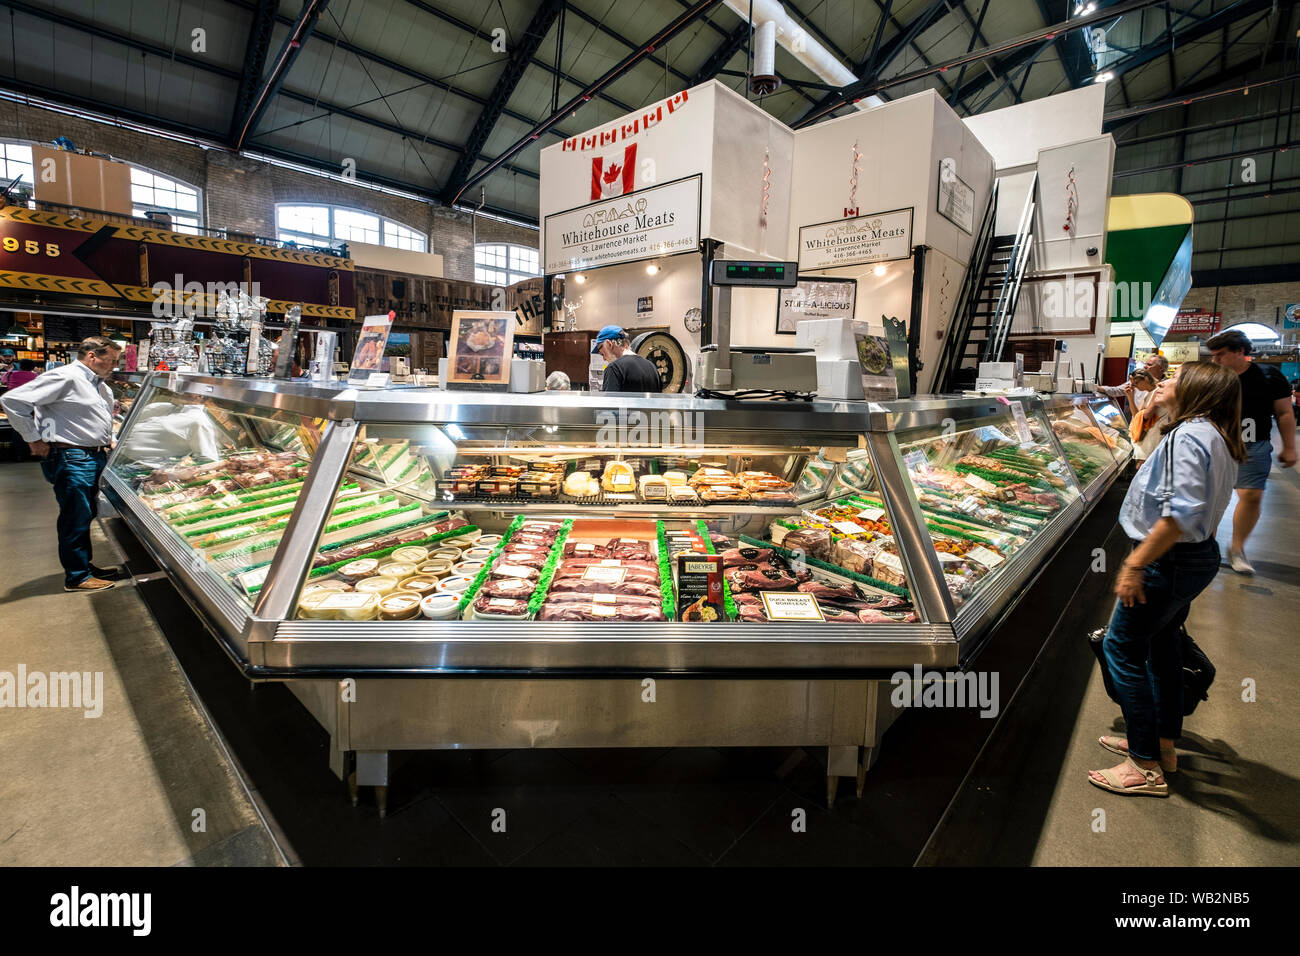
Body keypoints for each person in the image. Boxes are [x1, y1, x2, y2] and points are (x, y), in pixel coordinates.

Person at [1089, 362, 1246, 798]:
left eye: (1174, 379)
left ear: (1196, 391)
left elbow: (1180, 514)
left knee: (1121, 649)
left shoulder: (1190, 435)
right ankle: (1162, 744)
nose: (1162, 382)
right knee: (1163, 648)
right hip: (1194, 558)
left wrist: (1136, 564)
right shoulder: (1214, 433)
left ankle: (1142, 765)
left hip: (1169, 560)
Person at [0, 336, 124, 592]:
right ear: (91, 356)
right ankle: (77, 576)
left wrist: (110, 439)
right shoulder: (66, 377)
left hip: (93, 455)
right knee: (75, 516)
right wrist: (33, 438)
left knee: (85, 513)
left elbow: (96, 417)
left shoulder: (99, 385)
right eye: (110, 360)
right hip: (72, 457)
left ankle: (84, 566)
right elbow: (12, 401)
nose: (114, 365)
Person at [1205, 328, 1296, 574]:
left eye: (1221, 355)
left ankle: (1237, 548)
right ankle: (1206, 547)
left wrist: (1289, 447)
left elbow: (1285, 413)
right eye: (1213, 356)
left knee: (1252, 496)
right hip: (1216, 444)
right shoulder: (1213, 378)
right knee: (1211, 497)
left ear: (1240, 351)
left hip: (1254, 445)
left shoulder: (1268, 376)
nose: (1216, 360)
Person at [592, 325, 662, 393]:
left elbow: (610, 403)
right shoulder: (652, 367)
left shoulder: (614, 368)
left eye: (602, 354)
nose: (604, 358)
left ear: (609, 344)